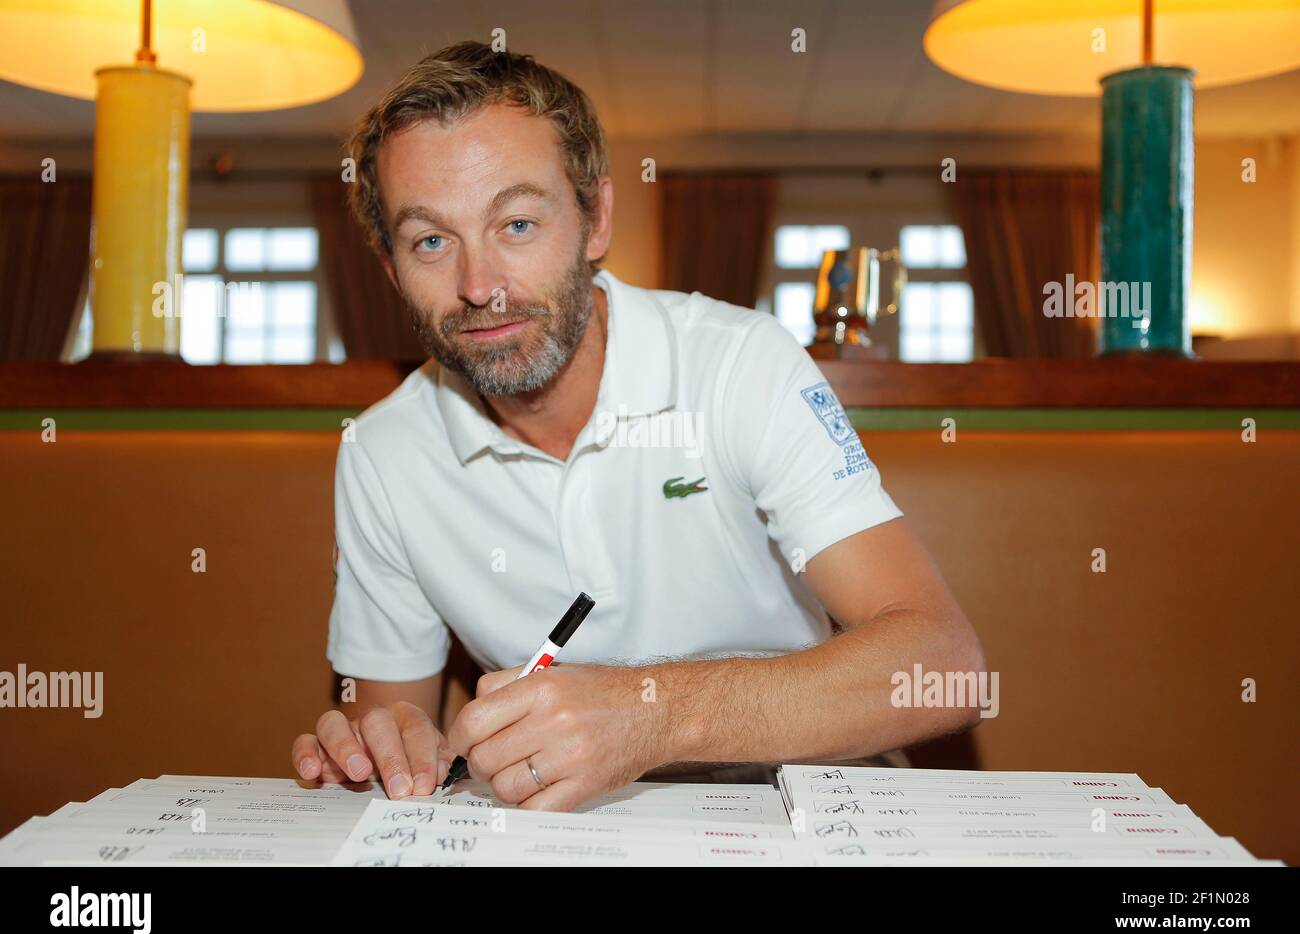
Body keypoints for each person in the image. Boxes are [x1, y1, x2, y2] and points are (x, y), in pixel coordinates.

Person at [290, 41, 986, 812]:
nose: (479, 285)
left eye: (517, 223)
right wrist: (387, 748)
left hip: (812, 811)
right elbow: (394, 724)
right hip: (559, 830)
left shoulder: (740, 364)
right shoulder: (383, 454)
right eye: (430, 241)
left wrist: (650, 715)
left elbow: (943, 662)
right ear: (391, 271)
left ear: (595, 221)